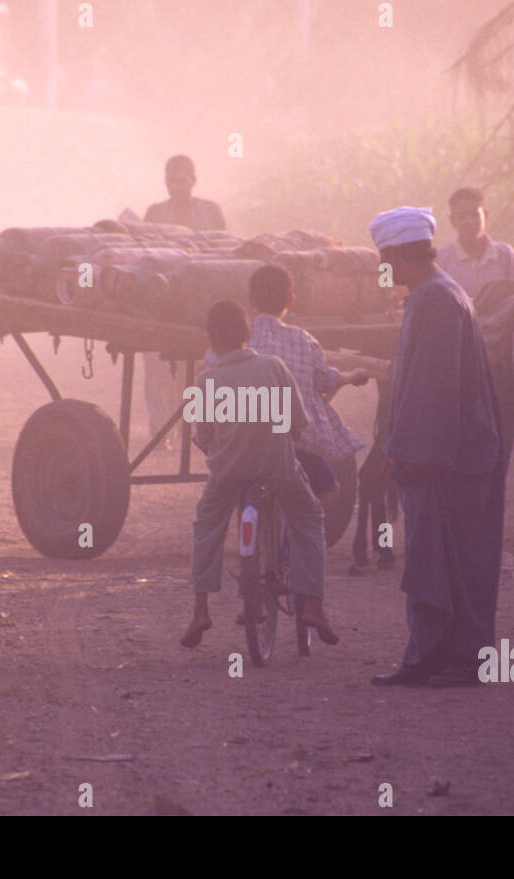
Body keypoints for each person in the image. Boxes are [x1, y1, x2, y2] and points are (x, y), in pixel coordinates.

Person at [368, 207, 506, 688]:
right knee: (431, 556)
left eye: (381, 260)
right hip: (432, 451)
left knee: (460, 560)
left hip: (450, 457)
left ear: (395, 257)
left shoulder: (439, 300)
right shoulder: (428, 296)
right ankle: (427, 657)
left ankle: (465, 662)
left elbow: (435, 388)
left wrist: (412, 451)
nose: (380, 270)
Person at [181, 301, 339, 649]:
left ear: (211, 339)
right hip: (278, 467)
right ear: (247, 333)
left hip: (228, 474)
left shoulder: (208, 380)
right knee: (309, 517)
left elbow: (204, 438)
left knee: (207, 524)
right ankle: (313, 604)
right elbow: (298, 424)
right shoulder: (274, 367)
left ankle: (200, 609)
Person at [205, 263, 368, 498]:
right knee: (330, 492)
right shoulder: (303, 340)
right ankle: (302, 533)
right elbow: (327, 380)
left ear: (250, 300)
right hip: (290, 447)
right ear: (291, 301)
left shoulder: (235, 338)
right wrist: (354, 375)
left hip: (236, 447)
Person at [142, 155, 227, 449]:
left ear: (194, 180)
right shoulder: (154, 213)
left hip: (200, 300)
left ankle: (191, 432)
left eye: (182, 180)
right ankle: (160, 432)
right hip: (163, 299)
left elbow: (226, 251)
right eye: (171, 181)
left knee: (194, 370)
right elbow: (145, 255)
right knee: (157, 368)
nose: (176, 187)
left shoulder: (211, 211)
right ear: (165, 181)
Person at [435, 187, 514, 302]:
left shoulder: (506, 256)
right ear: (452, 220)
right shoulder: (442, 260)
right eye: (461, 217)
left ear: (486, 214)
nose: (469, 222)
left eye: (475, 215)